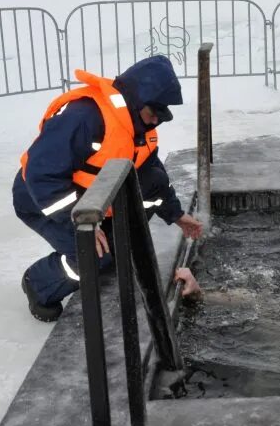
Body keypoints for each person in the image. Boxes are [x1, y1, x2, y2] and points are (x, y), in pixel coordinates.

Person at [14, 56, 203, 322]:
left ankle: (101, 246)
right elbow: (41, 174)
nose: (157, 121)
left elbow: (152, 175)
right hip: (41, 198)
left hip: (94, 198)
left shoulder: (139, 127)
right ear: (139, 100)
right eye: (155, 112)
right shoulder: (84, 117)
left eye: (163, 115)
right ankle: (40, 282)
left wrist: (175, 214)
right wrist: (80, 225)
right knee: (94, 257)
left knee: (117, 246)